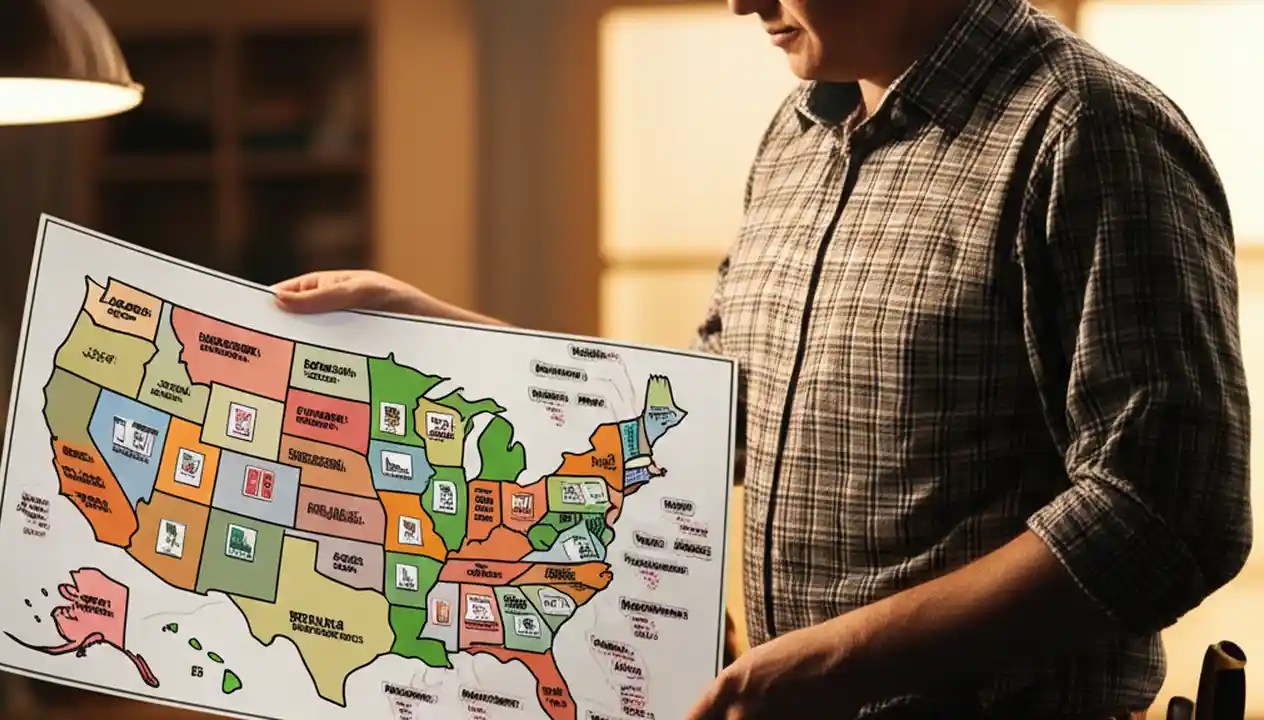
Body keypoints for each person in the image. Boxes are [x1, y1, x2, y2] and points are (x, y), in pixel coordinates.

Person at [273, 0, 1252, 716]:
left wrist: (834, 662)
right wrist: (445, 339)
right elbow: (704, 416)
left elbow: (1164, 514)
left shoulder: (1089, 129)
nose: (740, 2)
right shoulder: (795, 132)